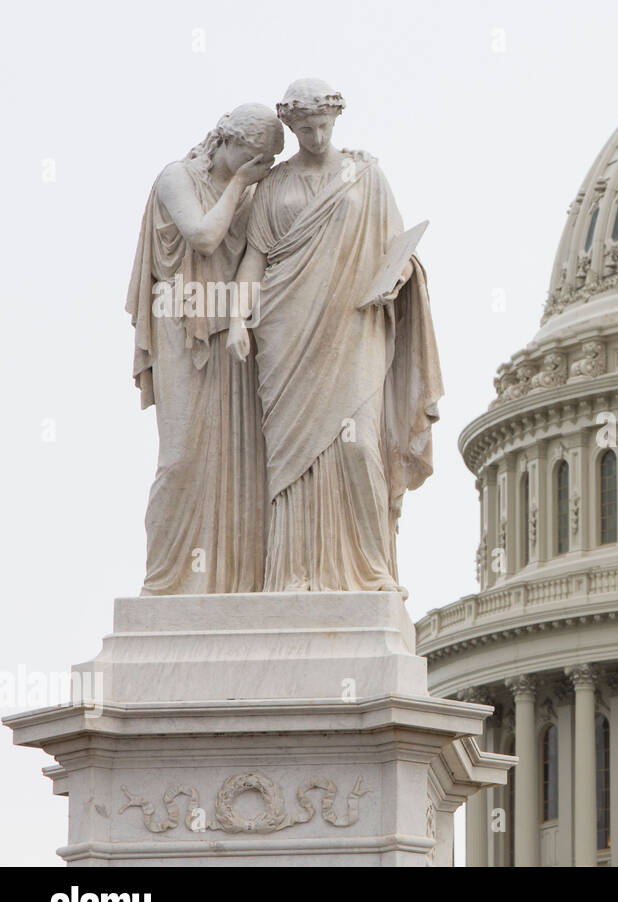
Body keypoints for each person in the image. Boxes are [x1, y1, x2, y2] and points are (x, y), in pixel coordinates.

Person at [230, 78, 443, 594]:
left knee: (358, 447)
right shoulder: (274, 186)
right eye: (306, 128)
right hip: (286, 329)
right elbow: (253, 260)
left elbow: (400, 251)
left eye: (324, 125)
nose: (317, 135)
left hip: (354, 325)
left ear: (336, 121)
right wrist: (238, 320)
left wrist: (397, 276)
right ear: (291, 127)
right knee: (289, 459)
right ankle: (295, 574)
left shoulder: (365, 176)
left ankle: (371, 571)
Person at [126, 104, 283, 594]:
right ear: (226, 141)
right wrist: (240, 185)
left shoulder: (256, 193)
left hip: (232, 333)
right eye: (254, 156)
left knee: (238, 460)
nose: (260, 169)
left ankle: (230, 584)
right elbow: (204, 237)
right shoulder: (178, 177)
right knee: (180, 458)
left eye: (269, 162)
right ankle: (165, 583)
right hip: (181, 324)